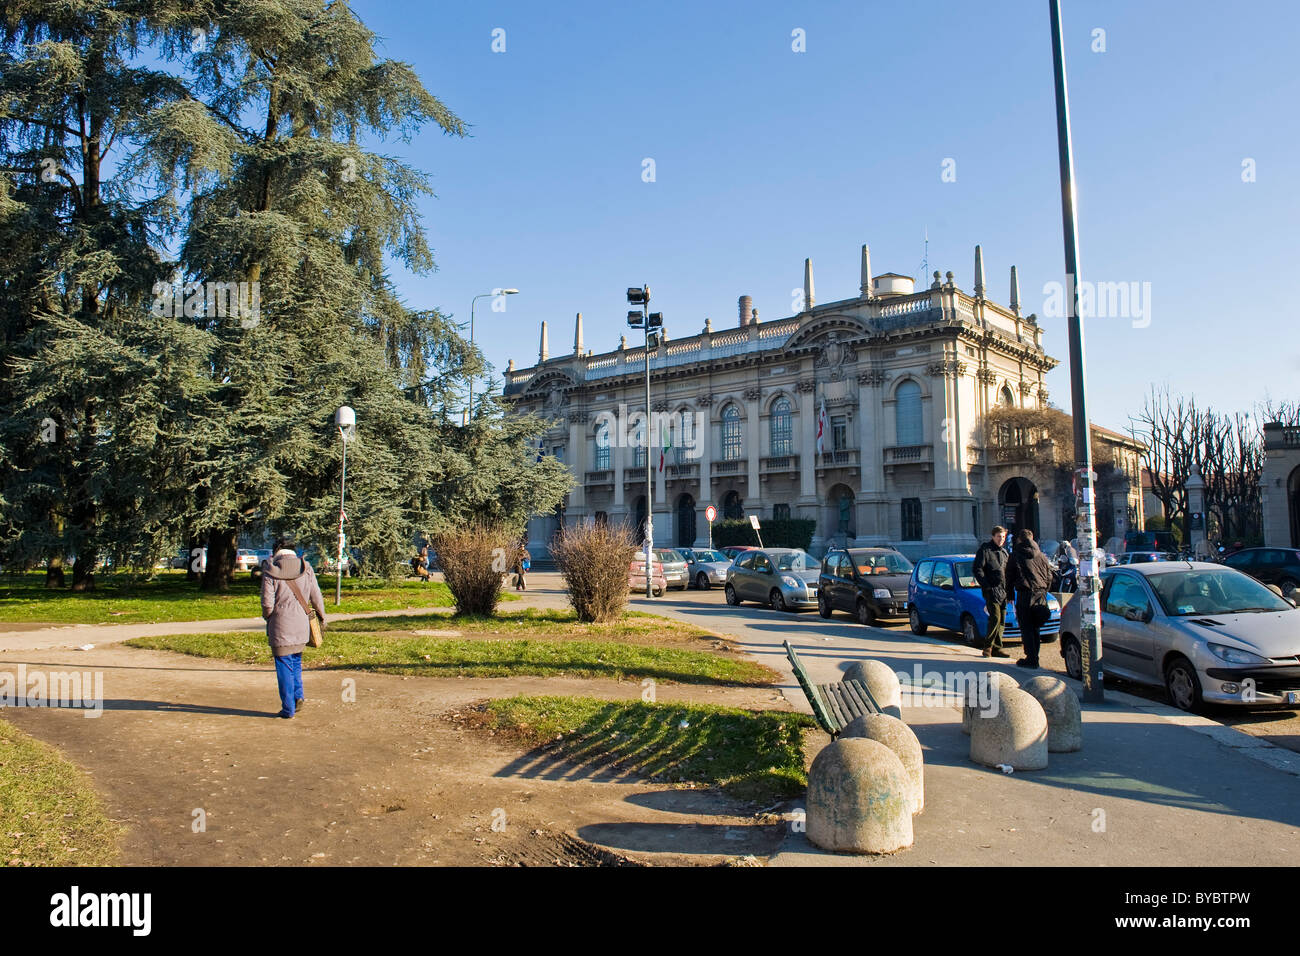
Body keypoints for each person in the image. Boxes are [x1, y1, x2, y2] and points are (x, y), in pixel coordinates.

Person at [260, 535, 326, 719]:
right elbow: (316, 596)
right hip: (302, 624)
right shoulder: (306, 567)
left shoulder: (270, 569)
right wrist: (322, 618)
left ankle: (288, 708)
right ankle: (298, 696)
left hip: (280, 624)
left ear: (276, 551)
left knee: (283, 665)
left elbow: (267, 603)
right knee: (296, 661)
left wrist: (269, 617)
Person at [1006, 529, 1054, 669]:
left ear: (1020, 540)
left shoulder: (1015, 555)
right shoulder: (1042, 556)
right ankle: (1035, 657)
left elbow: (1009, 577)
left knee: (1026, 627)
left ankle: (1031, 658)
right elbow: (1049, 576)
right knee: (1036, 627)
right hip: (1040, 594)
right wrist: (1045, 590)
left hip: (1025, 594)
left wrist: (1010, 595)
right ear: (1032, 539)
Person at [972, 526, 1012, 659]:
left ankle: (997, 647)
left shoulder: (1005, 553)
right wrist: (986, 585)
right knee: (995, 618)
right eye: (999, 536)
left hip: (1003, 590)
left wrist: (1010, 591)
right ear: (993, 536)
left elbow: (1008, 572)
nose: (1001, 539)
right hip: (991, 590)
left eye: (1003, 537)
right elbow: (978, 569)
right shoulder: (985, 550)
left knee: (1002, 621)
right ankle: (987, 647)